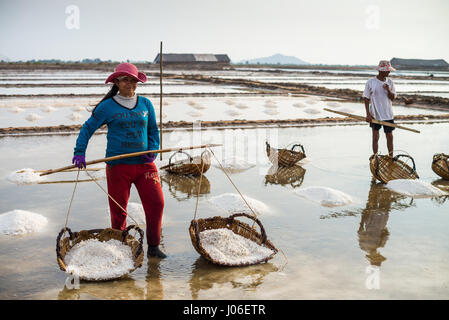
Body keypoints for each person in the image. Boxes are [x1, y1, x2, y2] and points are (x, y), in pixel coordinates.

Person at [72, 62, 166, 258]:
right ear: (116, 81)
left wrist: (153, 151)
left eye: (133, 80)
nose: (130, 83)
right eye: (125, 80)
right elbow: (87, 128)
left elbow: (153, 131)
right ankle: (120, 248)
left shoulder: (145, 104)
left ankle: (154, 248)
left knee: (156, 203)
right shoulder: (107, 107)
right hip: (118, 166)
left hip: (144, 165)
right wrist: (80, 151)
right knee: (118, 210)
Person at [363, 60, 397, 157]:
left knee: (389, 137)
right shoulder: (371, 82)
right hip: (375, 114)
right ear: (381, 71)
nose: (389, 72)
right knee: (375, 137)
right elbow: (366, 98)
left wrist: (388, 90)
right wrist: (368, 114)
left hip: (388, 114)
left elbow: (393, 98)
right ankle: (375, 156)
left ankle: (391, 157)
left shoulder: (390, 82)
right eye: (387, 70)